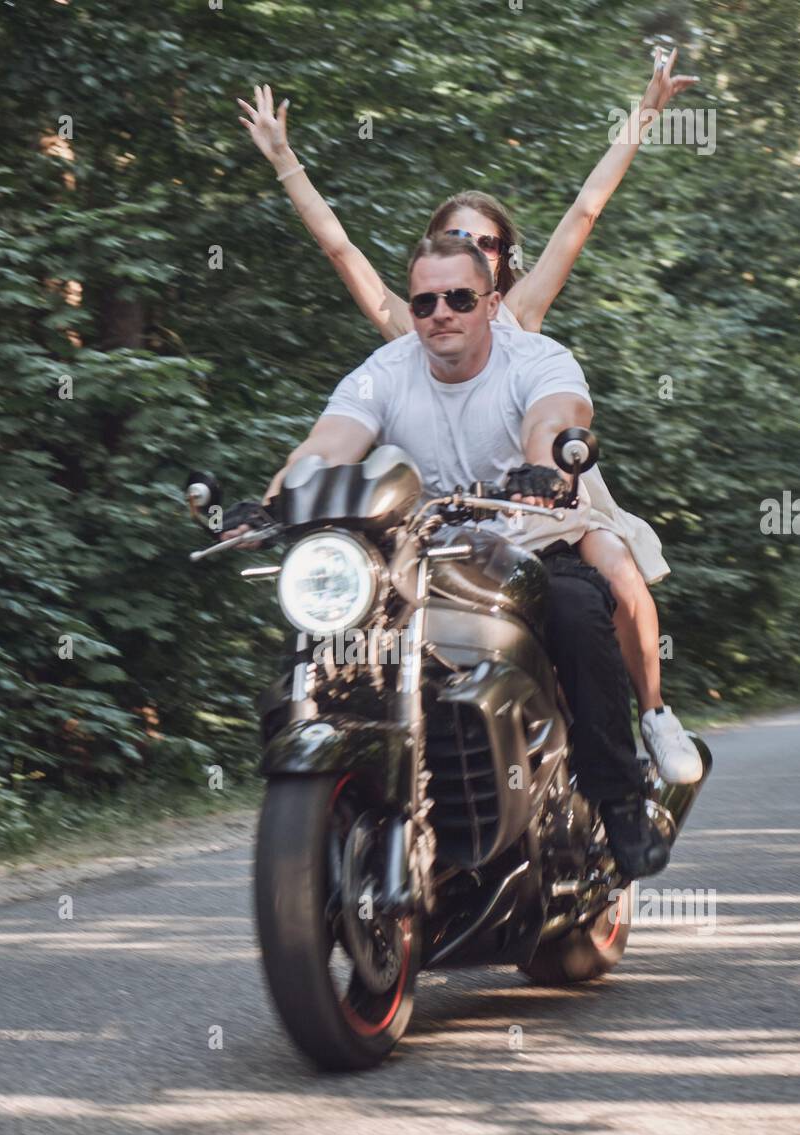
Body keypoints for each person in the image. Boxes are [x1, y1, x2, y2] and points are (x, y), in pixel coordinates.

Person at [236, 48, 702, 784]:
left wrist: (645, 114)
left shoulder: (520, 316)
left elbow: (585, 209)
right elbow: (338, 248)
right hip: (447, 508)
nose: (463, 266)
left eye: (483, 245)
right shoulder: (410, 330)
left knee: (615, 580)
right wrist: (285, 158)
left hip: (542, 485)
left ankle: (653, 714)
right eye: (454, 242)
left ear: (498, 267)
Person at [231, 235, 671, 879]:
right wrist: (273, 501)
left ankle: (619, 802)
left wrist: (539, 465)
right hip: (421, 559)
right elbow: (325, 444)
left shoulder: (536, 359)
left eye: (460, 298)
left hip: (532, 547)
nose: (440, 312)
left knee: (578, 612)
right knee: (331, 625)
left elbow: (554, 417)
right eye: (424, 301)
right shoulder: (385, 372)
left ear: (492, 303)